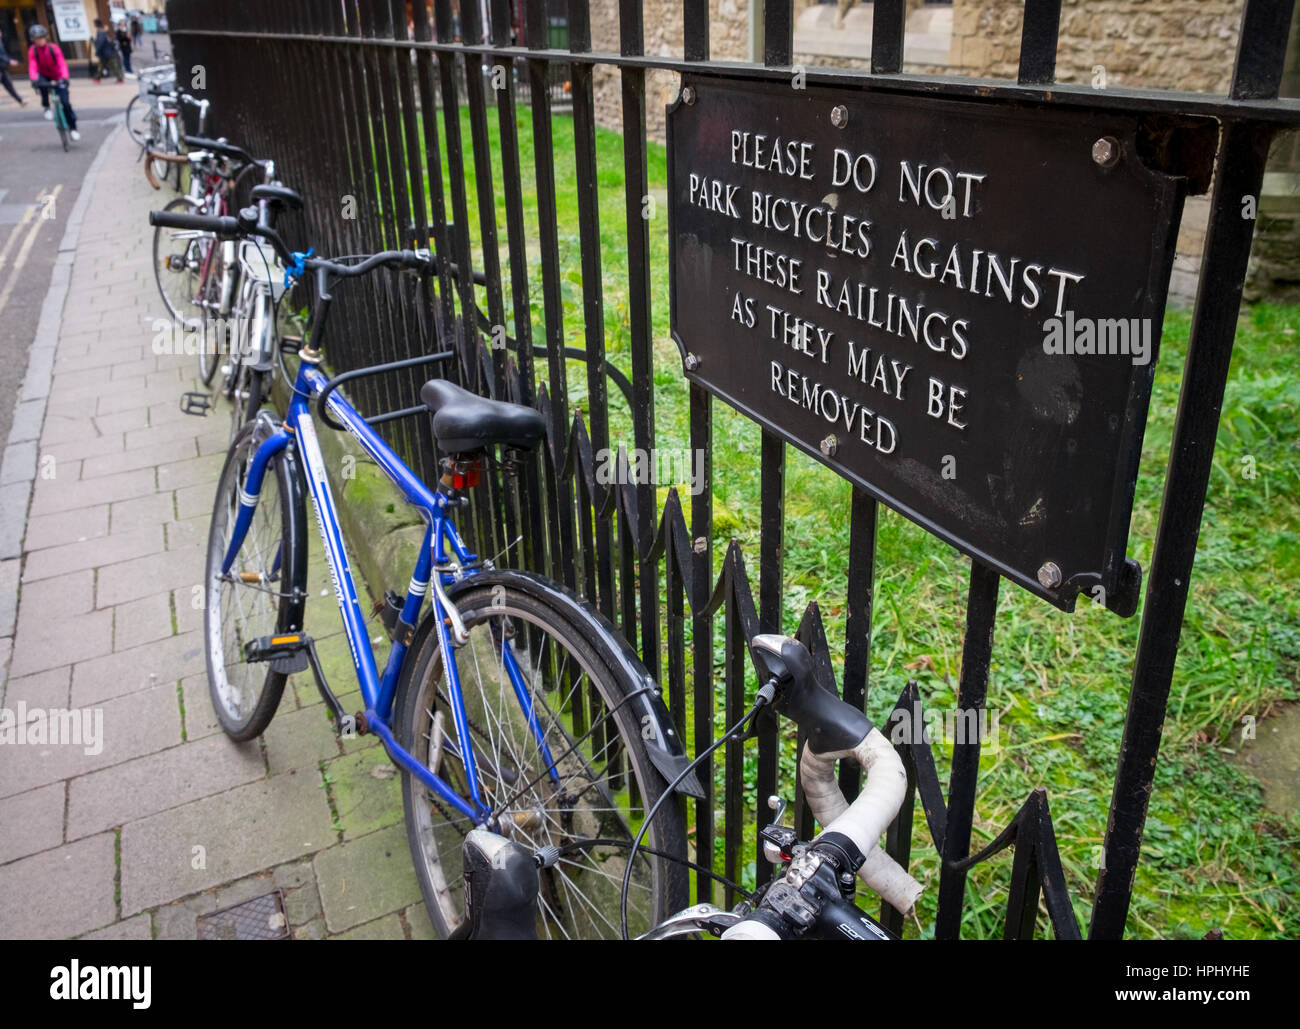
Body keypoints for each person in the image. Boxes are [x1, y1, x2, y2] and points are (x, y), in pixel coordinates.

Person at [27, 25, 79, 139]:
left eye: (41, 38)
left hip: (57, 76)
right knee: (41, 84)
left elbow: (61, 63)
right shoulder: (33, 50)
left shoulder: (53, 48)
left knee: (65, 103)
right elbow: (33, 65)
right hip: (44, 75)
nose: (39, 41)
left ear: (46, 37)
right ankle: (46, 106)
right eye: (36, 39)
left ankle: (73, 129)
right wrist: (33, 78)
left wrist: (65, 77)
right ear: (33, 40)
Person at [1, 40, 26, 106]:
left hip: (3, 69)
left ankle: (19, 100)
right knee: (9, 85)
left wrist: (9, 60)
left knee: (9, 86)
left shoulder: (1, 43)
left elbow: (4, 55)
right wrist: (9, 61)